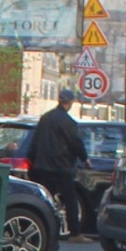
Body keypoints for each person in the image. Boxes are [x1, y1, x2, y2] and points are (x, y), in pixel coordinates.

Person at [25, 84, 92, 237]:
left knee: (44, 200)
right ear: (70, 102)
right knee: (70, 200)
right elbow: (75, 143)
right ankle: (75, 233)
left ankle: (42, 231)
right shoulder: (68, 122)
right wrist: (85, 158)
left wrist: (33, 160)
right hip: (62, 167)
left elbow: (35, 142)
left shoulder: (45, 118)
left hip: (42, 166)